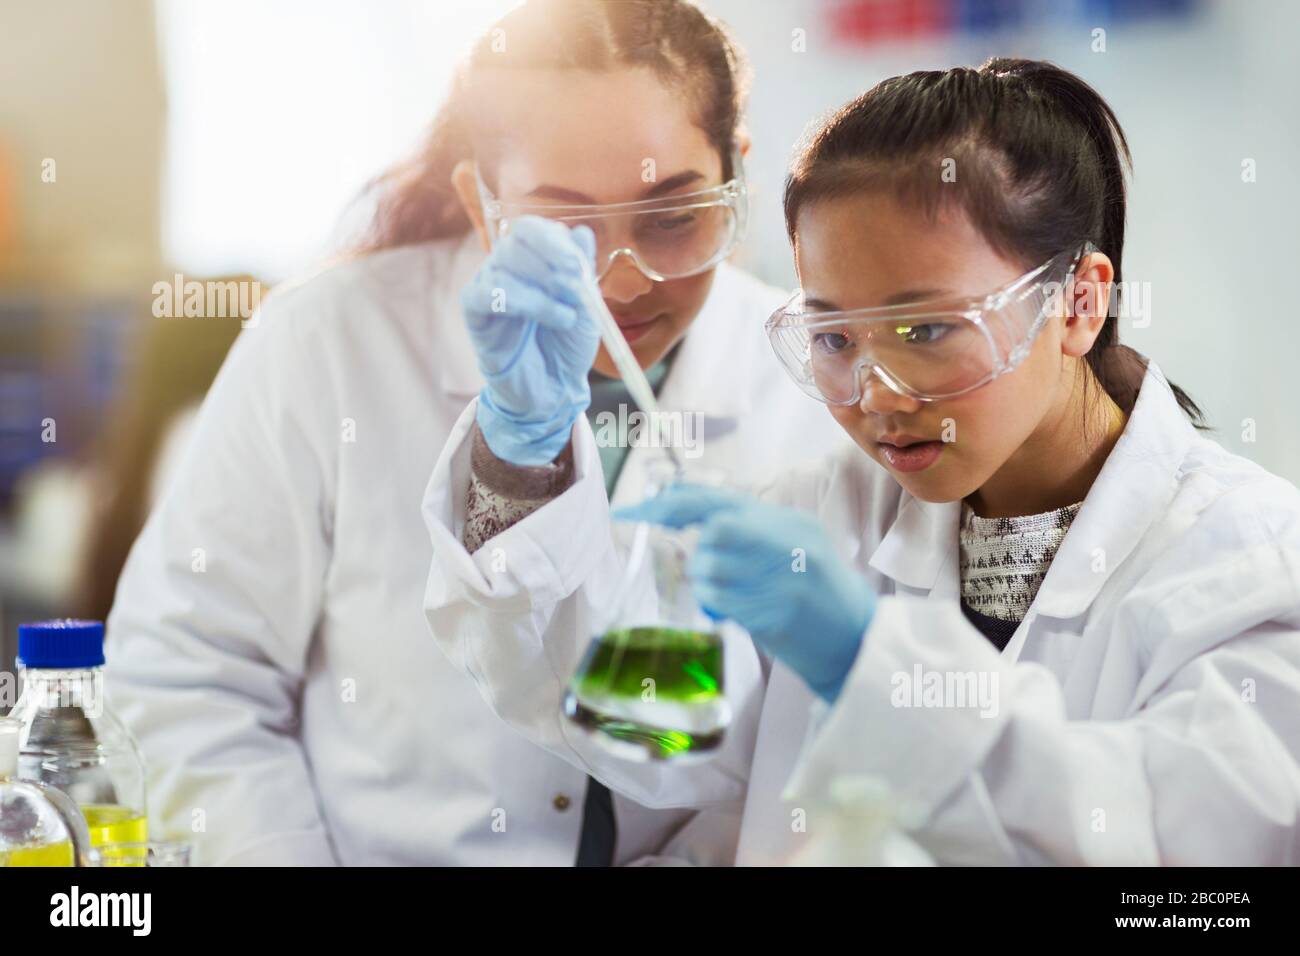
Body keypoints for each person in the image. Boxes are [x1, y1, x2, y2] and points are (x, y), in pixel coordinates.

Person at [424, 58, 1300, 864]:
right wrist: (521, 449)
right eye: (834, 337)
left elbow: (1189, 860)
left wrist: (868, 668)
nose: (875, 393)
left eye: (926, 329)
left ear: (1080, 302)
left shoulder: (1251, 559)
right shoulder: (820, 521)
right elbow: (638, 725)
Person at [104, 0, 845, 866]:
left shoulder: (815, 382)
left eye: (673, 217)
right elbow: (188, 674)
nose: (622, 279)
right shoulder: (326, 344)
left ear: (738, 177)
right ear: (480, 202)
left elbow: (792, 732)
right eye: (562, 227)